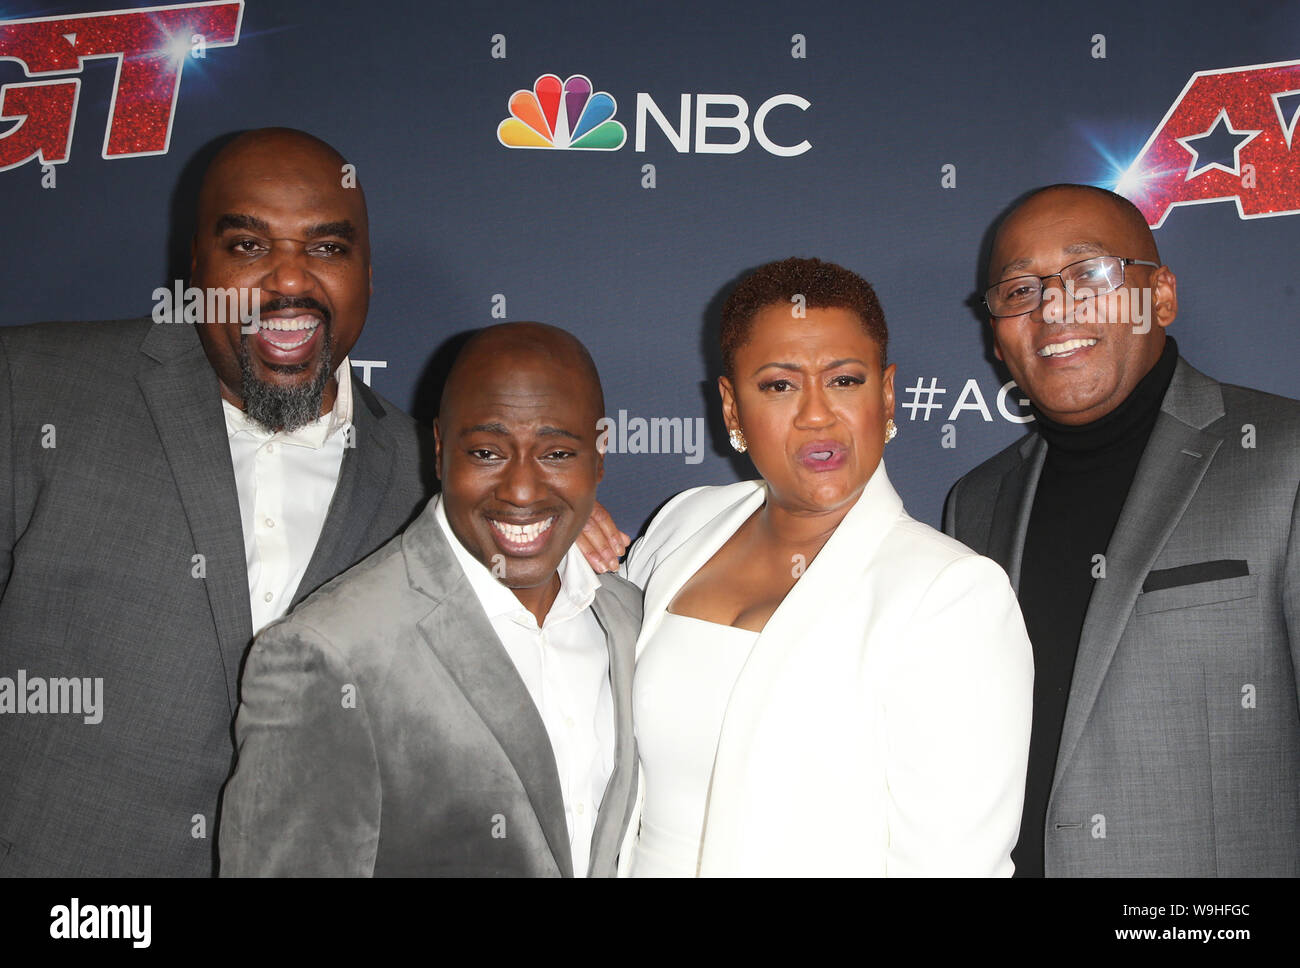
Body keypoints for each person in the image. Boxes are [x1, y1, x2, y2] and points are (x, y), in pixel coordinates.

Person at [0, 128, 431, 876]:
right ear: (194, 265)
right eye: (249, 247)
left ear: (367, 272)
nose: (289, 283)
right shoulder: (32, 389)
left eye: (327, 249)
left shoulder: (434, 481)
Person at [587, 258, 1034, 875]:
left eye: (845, 380)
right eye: (779, 385)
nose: (817, 414)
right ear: (731, 408)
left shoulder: (950, 594)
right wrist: (559, 544)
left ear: (885, 392)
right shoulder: (683, 525)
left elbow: (954, 865)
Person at [945, 183, 1300, 877]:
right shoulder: (976, 504)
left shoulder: (1283, 459)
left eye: (1088, 274)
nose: (1053, 307)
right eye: (1019, 289)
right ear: (996, 331)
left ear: (1160, 297)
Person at [219, 323, 641, 877]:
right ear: (440, 447)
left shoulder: (627, 617)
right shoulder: (326, 654)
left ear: (600, 455)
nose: (521, 489)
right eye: (488, 452)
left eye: (557, 453)